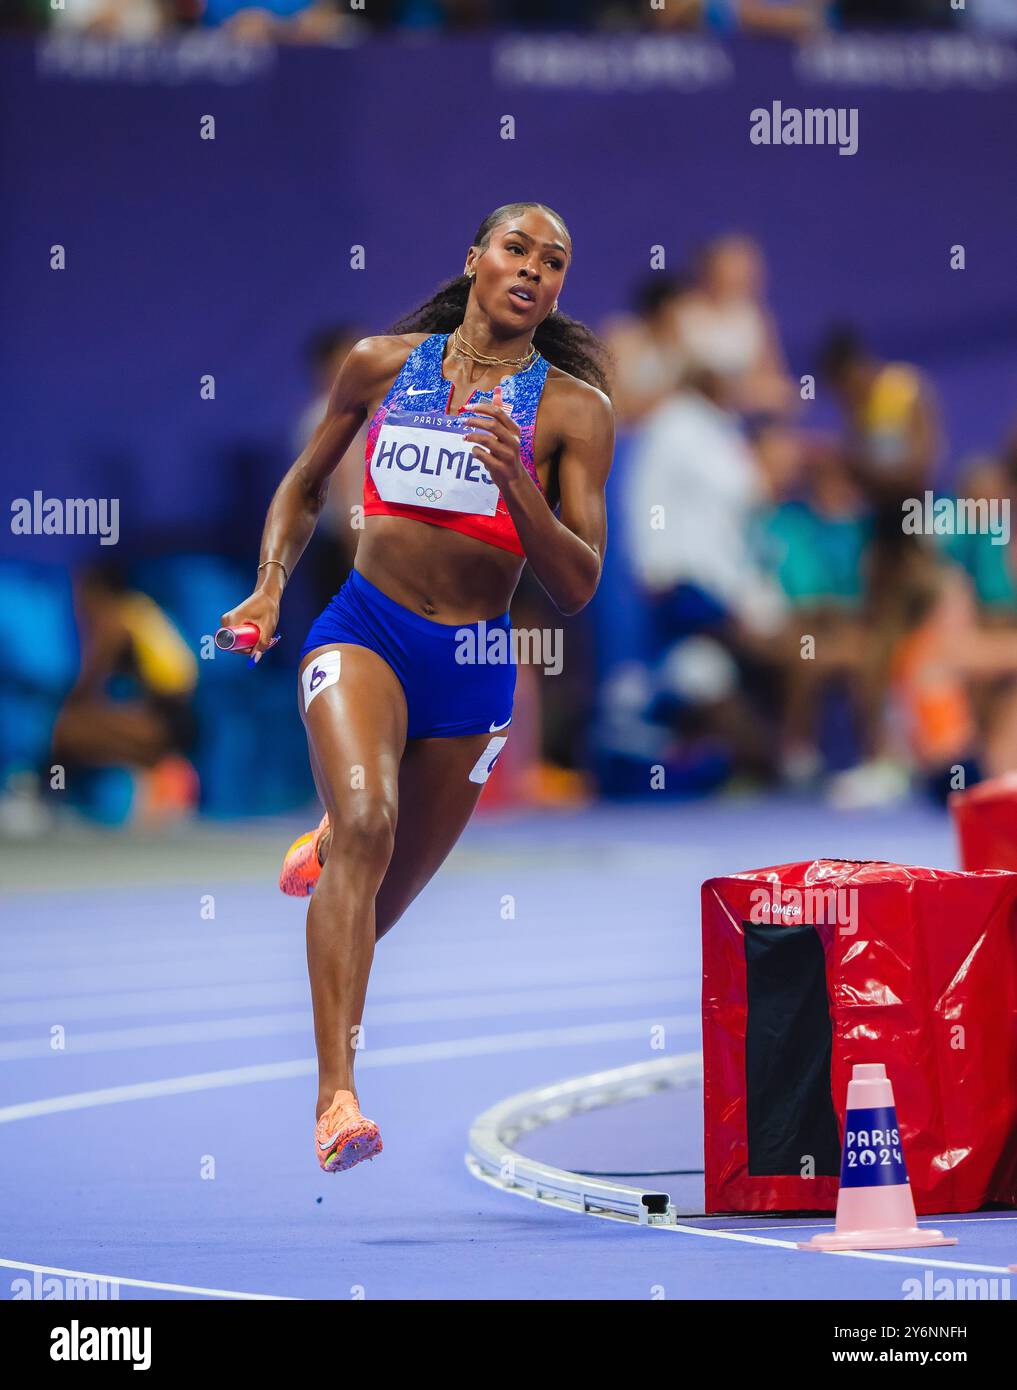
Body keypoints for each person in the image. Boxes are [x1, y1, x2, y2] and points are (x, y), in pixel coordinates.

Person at [220, 202, 614, 1173]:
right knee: (365, 824)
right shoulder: (381, 365)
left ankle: (332, 839)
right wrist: (270, 590)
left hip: (474, 668)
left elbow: (576, 584)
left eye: (554, 262)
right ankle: (336, 1100)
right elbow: (306, 484)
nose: (533, 270)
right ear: (475, 258)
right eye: (517, 249)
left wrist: (519, 483)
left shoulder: (573, 412)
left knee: (377, 909)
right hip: (365, 630)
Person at [52, 560, 199, 821]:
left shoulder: (116, 623)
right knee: (87, 725)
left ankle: (52, 798)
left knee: (67, 730)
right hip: (180, 716)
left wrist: (57, 711)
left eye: (81, 593)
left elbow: (87, 685)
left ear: (96, 592)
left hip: (165, 721)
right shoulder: (140, 608)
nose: (78, 604)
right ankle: (161, 774)